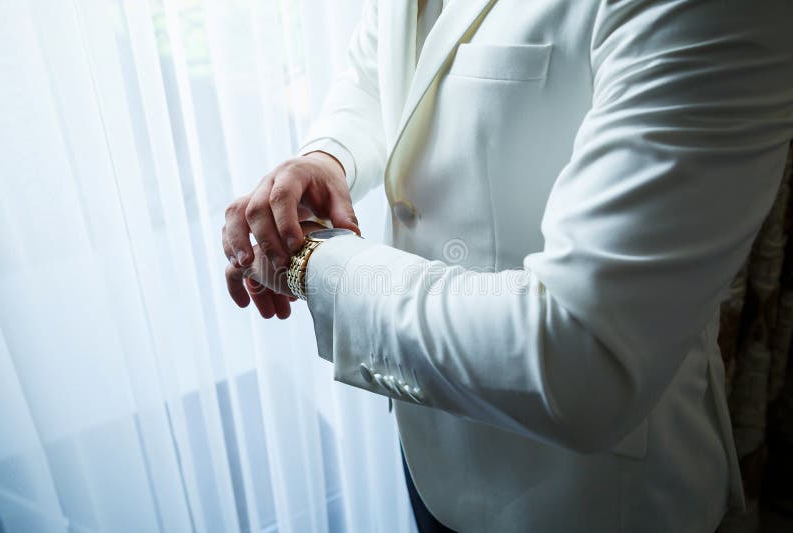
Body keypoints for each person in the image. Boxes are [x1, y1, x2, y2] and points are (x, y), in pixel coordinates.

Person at [222, 1, 793, 531]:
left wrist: (314, 264)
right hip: (430, 447)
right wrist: (327, 157)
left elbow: (580, 351)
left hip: (592, 497)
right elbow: (386, 65)